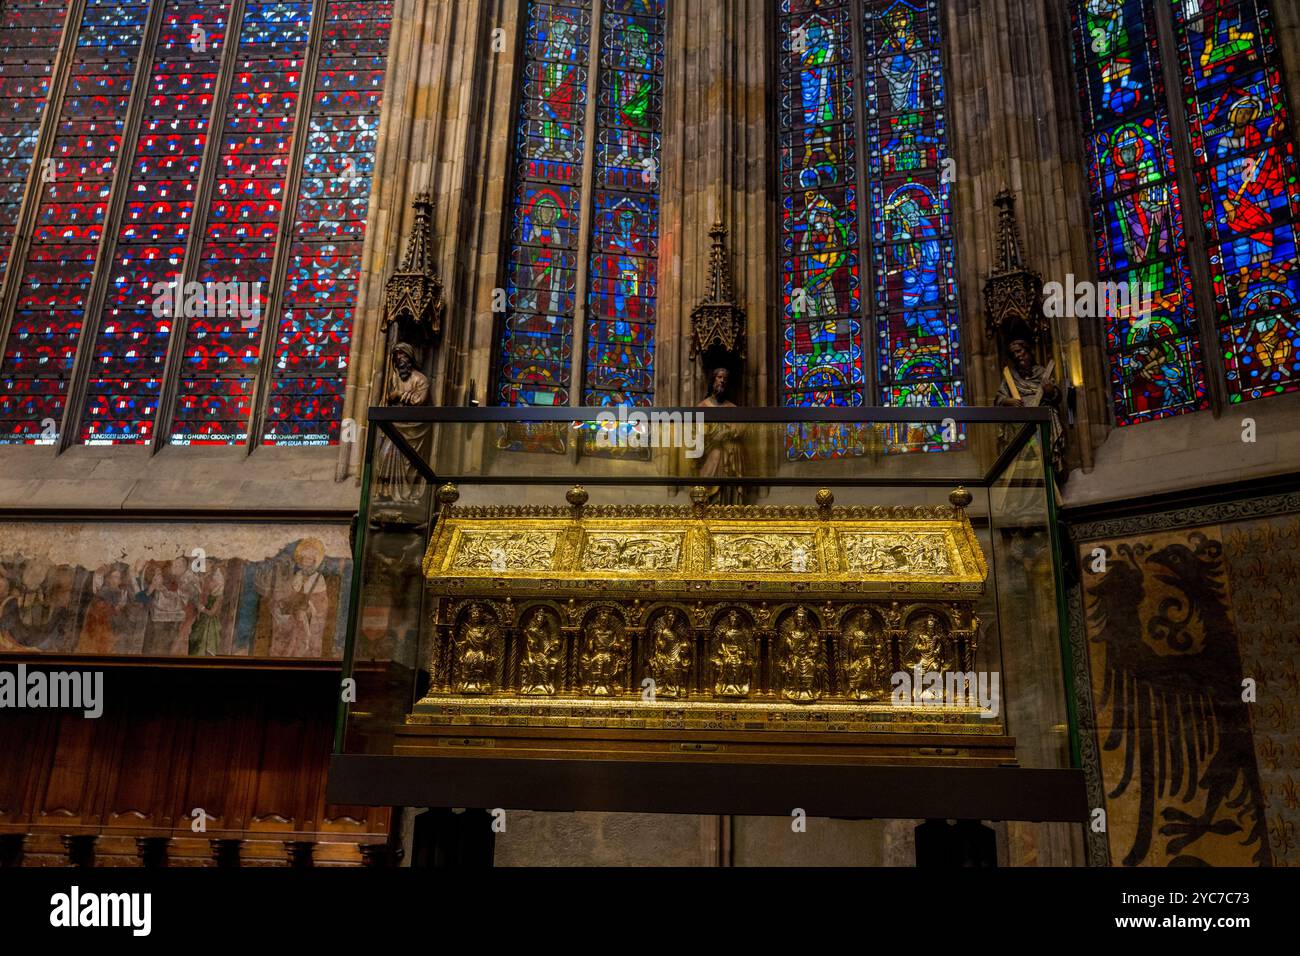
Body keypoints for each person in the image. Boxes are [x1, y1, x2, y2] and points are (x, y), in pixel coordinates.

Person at [995, 338, 1066, 476]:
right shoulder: (1011, 377)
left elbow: (1057, 396)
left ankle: (1048, 461)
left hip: (1041, 416)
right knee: (1012, 425)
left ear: (1028, 351)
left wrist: (1050, 390)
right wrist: (1009, 401)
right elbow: (999, 398)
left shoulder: (1042, 372)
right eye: (1013, 354)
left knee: (1049, 415)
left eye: (1019, 351)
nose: (1017, 356)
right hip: (1020, 419)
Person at [376, 342, 430, 503]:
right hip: (394, 427)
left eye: (403, 355)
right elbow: (385, 401)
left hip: (413, 428)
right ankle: (385, 492)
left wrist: (399, 394)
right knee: (384, 456)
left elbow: (419, 400)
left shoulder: (420, 379)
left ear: (410, 358)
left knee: (409, 463)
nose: (400, 359)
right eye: (397, 356)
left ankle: (407, 495)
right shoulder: (393, 378)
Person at [696, 367, 746, 505]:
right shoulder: (702, 407)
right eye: (719, 377)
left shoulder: (732, 408)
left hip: (731, 454)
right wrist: (713, 436)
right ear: (713, 380)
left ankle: (729, 505)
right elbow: (697, 433)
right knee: (716, 456)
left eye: (725, 379)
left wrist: (727, 432)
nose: (722, 381)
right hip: (711, 450)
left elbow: (740, 429)